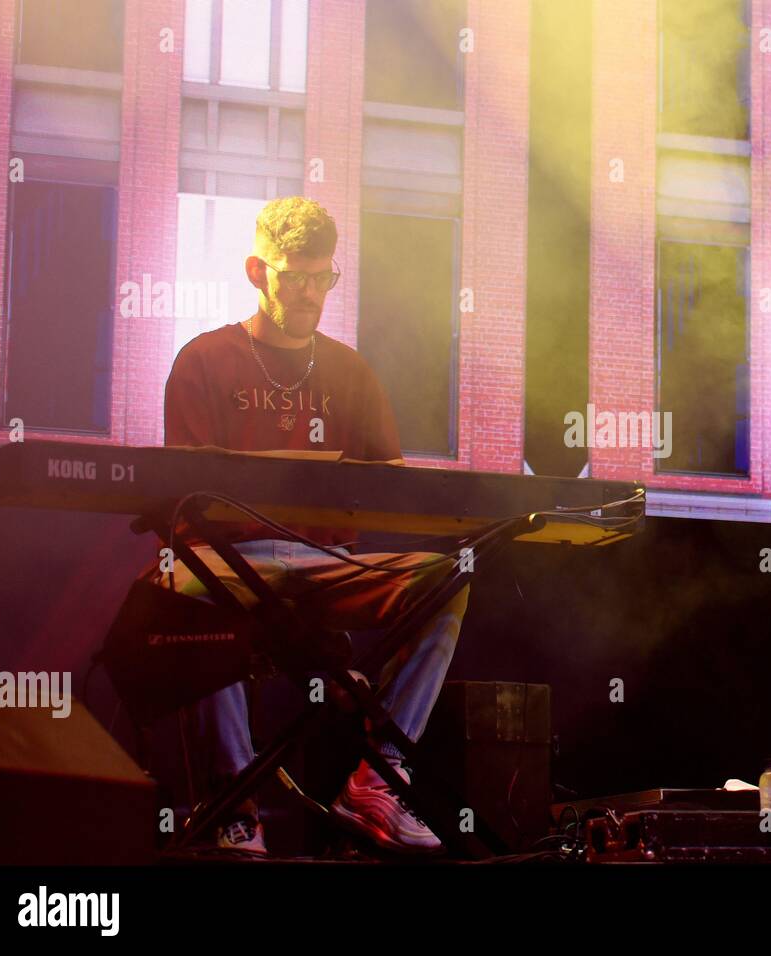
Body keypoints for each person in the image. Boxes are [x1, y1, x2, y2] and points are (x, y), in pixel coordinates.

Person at [146, 196, 468, 853]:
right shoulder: (204, 361)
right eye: (294, 276)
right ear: (256, 270)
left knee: (448, 579)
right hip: (234, 565)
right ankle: (234, 798)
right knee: (186, 580)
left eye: (322, 277)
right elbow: (187, 502)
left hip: (324, 568)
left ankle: (380, 778)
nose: (310, 292)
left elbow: (393, 489)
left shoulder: (350, 371)